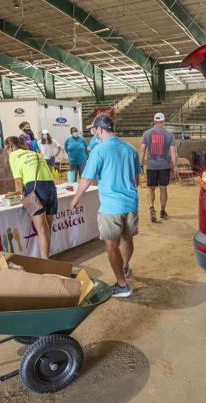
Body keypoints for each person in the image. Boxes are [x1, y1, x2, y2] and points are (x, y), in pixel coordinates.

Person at [70, 114, 140, 298]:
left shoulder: (99, 151)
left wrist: (76, 197)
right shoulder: (130, 149)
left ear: (100, 130)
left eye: (95, 131)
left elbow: (86, 178)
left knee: (111, 246)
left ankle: (122, 285)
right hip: (131, 203)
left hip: (111, 206)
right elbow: (137, 179)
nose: (95, 134)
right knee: (127, 239)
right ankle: (124, 268)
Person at [5, 136, 57, 259]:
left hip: (34, 190)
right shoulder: (35, 153)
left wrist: (12, 194)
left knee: (42, 230)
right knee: (47, 228)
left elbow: (19, 185)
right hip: (51, 188)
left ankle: (45, 263)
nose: (7, 152)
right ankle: (48, 258)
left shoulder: (13, 155)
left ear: (10, 147)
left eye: (6, 149)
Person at [140, 112, 177, 223]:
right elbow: (173, 154)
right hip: (164, 166)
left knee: (151, 188)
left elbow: (142, 151)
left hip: (151, 166)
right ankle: (162, 211)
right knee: (163, 189)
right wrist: (174, 167)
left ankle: (151, 208)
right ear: (163, 121)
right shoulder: (169, 135)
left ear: (154, 121)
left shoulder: (147, 134)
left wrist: (140, 165)